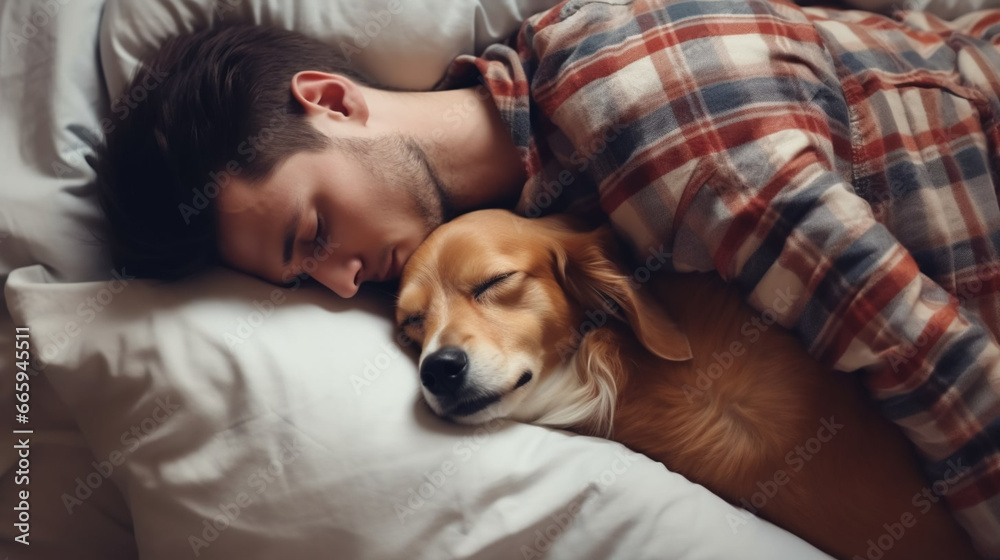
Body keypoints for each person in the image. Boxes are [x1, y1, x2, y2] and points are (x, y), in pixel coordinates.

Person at [95, 0, 1000, 556]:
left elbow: (933, 363)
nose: (340, 285)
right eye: (303, 276)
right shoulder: (531, 134)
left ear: (332, 101)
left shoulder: (661, 135)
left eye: (315, 230)